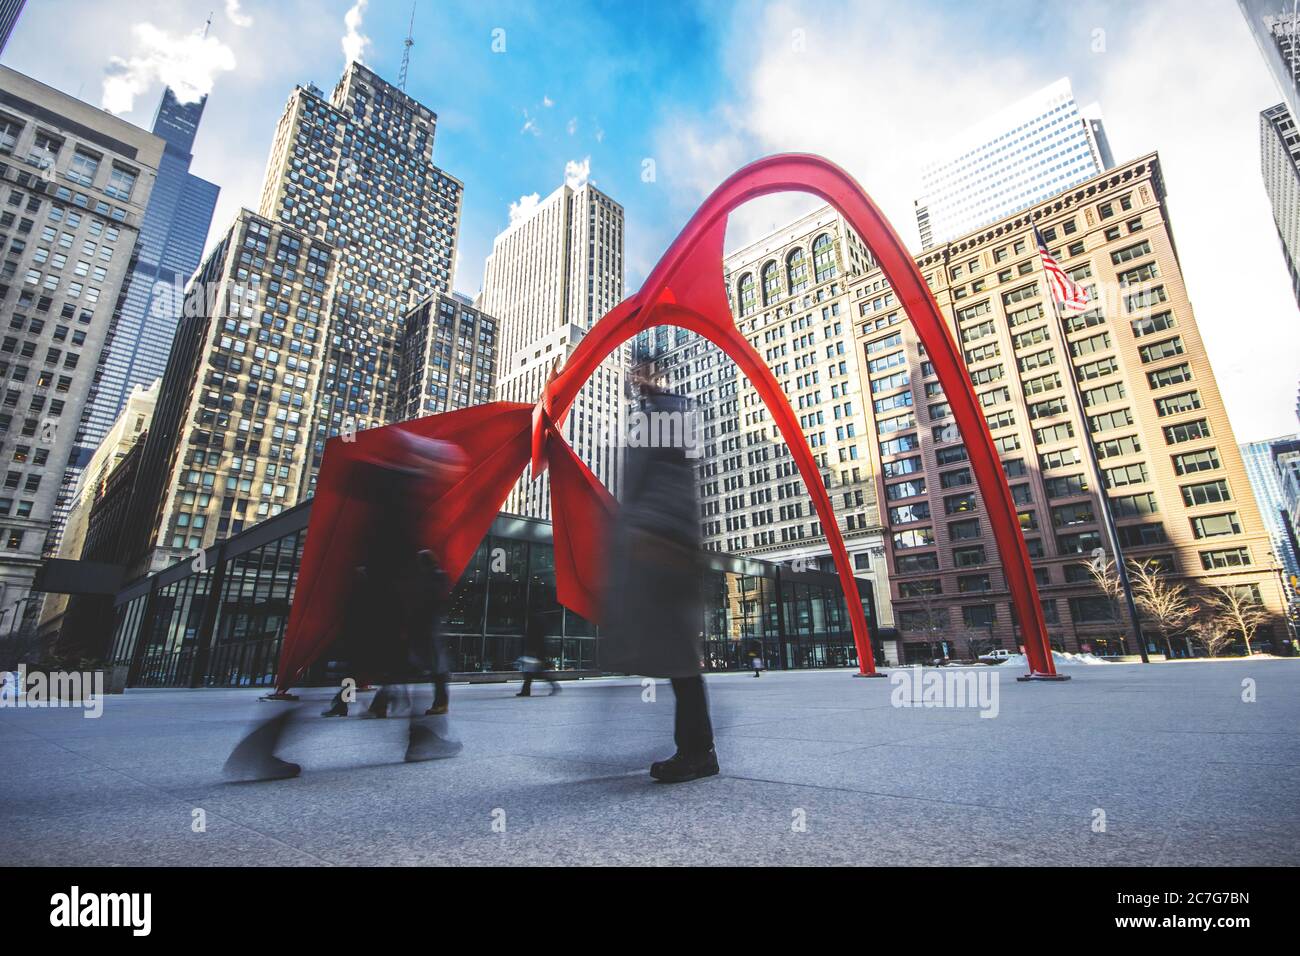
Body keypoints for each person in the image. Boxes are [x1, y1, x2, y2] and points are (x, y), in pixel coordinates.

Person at [224, 432, 464, 780]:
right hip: (382, 612)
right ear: (426, 463)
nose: (444, 476)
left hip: (369, 609)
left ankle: (419, 739)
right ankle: (260, 750)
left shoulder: (388, 492)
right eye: (442, 467)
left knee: (378, 677)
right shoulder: (404, 496)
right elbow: (393, 560)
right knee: (375, 676)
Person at [601, 377, 717, 783]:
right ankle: (697, 749)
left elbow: (669, 486)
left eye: (643, 369)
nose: (633, 378)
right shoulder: (655, 415)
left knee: (678, 656)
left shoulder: (666, 414)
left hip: (663, 545)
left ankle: (697, 751)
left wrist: (655, 534)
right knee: (673, 654)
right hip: (659, 542)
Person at [516, 607, 561, 697]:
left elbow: (537, 640)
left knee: (535, 674)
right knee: (532, 674)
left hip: (536, 653)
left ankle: (526, 691)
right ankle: (526, 691)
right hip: (536, 652)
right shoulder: (538, 623)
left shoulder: (534, 625)